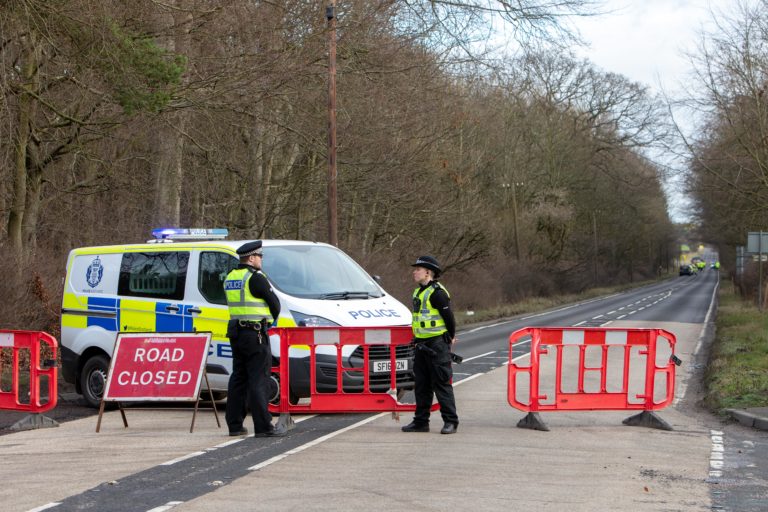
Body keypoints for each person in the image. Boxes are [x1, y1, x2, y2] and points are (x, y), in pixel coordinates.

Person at [223, 240, 286, 437]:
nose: (261, 260)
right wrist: (270, 322)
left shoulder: (230, 277)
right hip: (255, 333)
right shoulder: (256, 278)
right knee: (259, 379)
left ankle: (235, 425)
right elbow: (275, 304)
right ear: (251, 258)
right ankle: (264, 426)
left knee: (238, 378)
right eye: (259, 257)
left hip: (236, 332)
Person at [401, 255, 459, 435]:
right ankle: (421, 422)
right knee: (422, 385)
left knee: (441, 383)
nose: (414, 272)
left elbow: (449, 319)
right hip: (421, 344)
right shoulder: (418, 292)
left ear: (428, 272)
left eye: (417, 269)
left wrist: (450, 338)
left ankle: (451, 422)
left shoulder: (437, 293)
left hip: (436, 345)